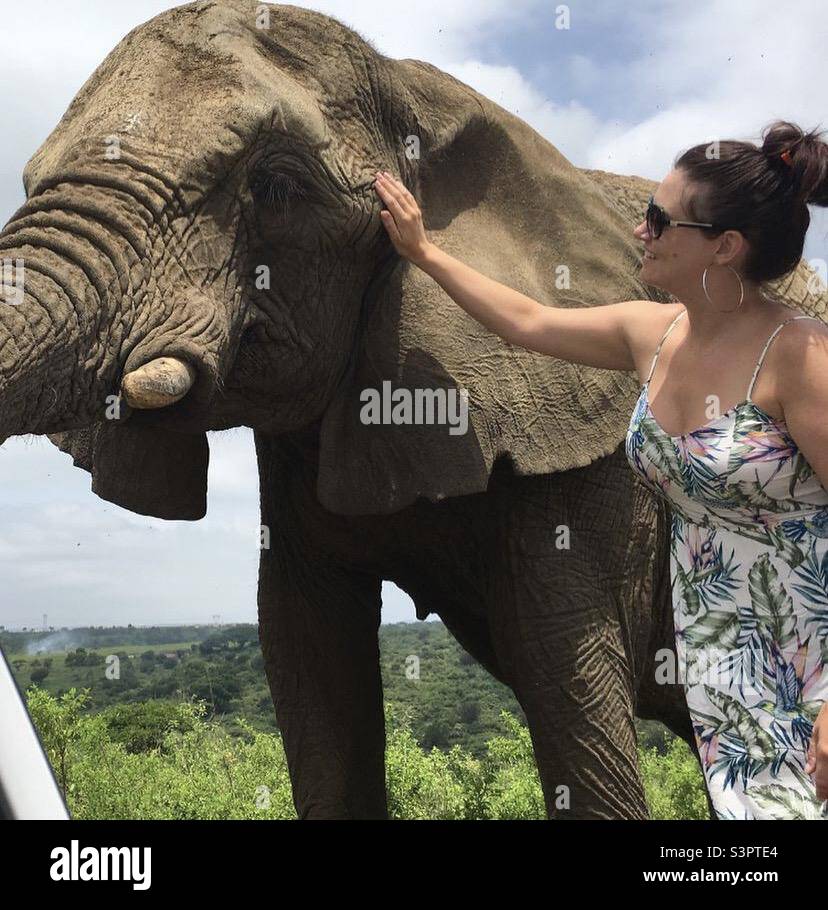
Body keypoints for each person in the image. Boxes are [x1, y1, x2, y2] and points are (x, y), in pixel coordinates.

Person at [373, 120, 828, 820]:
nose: (641, 231)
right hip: (718, 647)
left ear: (725, 247)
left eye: (659, 218)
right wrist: (425, 251)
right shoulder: (654, 333)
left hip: (809, 648)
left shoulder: (800, 357)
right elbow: (523, 321)